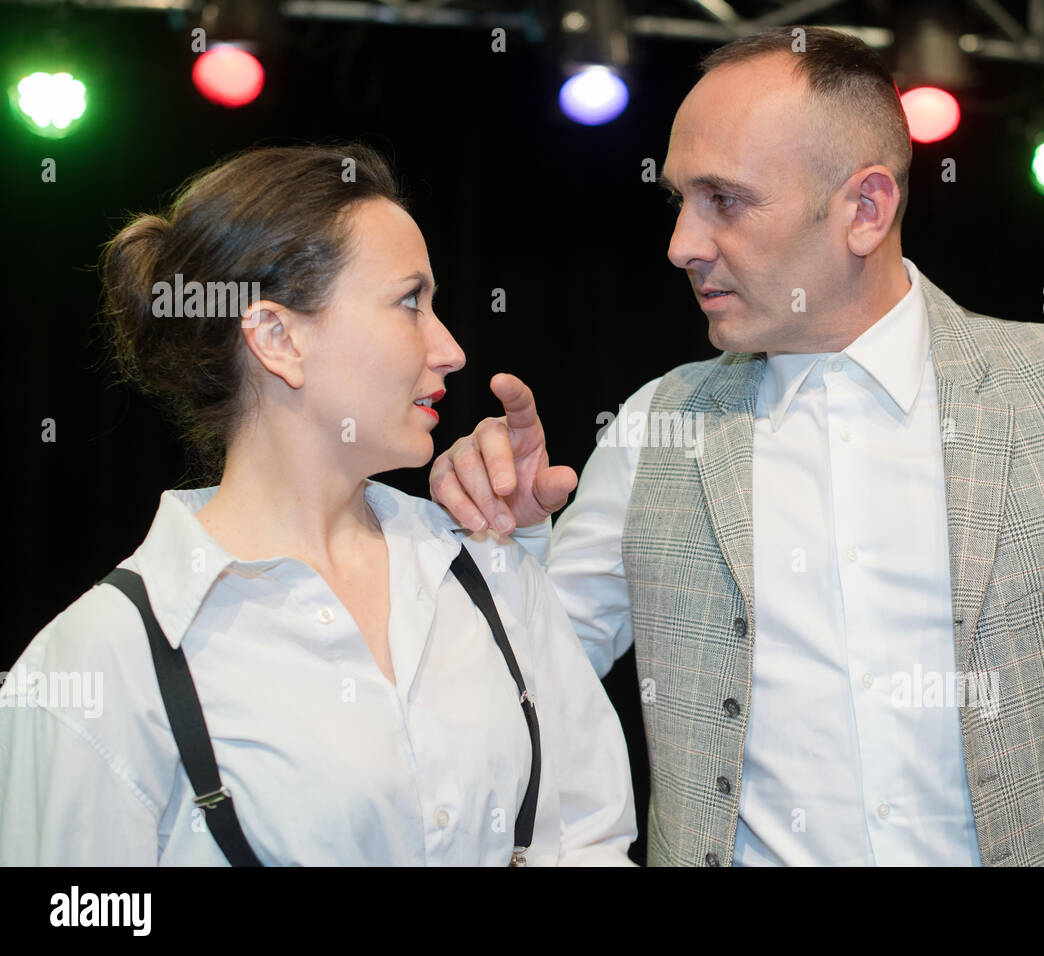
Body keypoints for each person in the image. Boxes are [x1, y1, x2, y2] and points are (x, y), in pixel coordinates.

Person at [428, 26, 1044, 866]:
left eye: (725, 199)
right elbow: (523, 697)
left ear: (865, 209)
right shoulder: (658, 427)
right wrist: (508, 544)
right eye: (679, 200)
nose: (681, 244)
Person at [0, 143, 636, 866]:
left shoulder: (487, 570)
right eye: (410, 303)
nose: (452, 348)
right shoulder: (103, 656)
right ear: (278, 338)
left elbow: (590, 835)